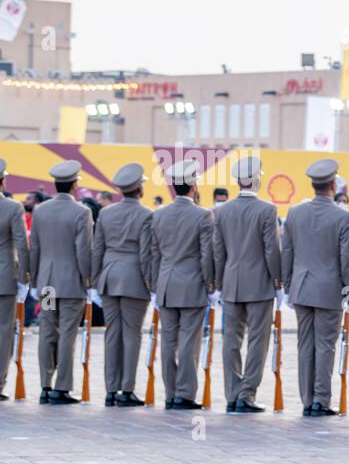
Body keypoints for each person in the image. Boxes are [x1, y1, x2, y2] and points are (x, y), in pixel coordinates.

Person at [283, 158, 349, 417]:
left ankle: (307, 398)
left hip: (301, 287)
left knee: (305, 345)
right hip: (328, 289)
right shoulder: (345, 216)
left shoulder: (295, 212)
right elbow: (346, 260)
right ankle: (320, 401)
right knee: (325, 345)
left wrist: (288, 286)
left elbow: (287, 253)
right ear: (333, 185)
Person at [213, 157, 282, 413]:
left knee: (230, 339)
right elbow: (271, 251)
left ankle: (232, 393)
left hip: (231, 282)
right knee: (257, 340)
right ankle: (247, 393)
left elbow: (218, 251)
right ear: (255, 179)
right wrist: (278, 281)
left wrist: (219, 283)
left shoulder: (221, 210)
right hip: (259, 284)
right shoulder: (266, 210)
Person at [150, 160, 216, 410]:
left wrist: (156, 284)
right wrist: (211, 285)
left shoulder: (159, 214)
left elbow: (154, 254)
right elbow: (206, 256)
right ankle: (185, 393)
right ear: (194, 186)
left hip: (166, 284)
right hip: (191, 285)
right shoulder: (202, 215)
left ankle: (170, 392)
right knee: (189, 341)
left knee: (168, 341)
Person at [29, 161, 94, 405]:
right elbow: (83, 251)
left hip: (46, 282)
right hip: (71, 283)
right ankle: (62, 387)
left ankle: (45, 384)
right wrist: (88, 279)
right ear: (75, 185)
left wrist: (34, 278)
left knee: (47, 330)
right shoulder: (82, 212)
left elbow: (34, 247)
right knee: (68, 333)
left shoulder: (41, 211)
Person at [93, 163, 154, 406]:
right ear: (139, 188)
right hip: (133, 278)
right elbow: (146, 253)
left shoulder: (106, 213)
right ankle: (127, 389)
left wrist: (95, 279)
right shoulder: (146, 214)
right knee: (132, 335)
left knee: (112, 334)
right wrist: (151, 282)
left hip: (109, 276)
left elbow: (98, 248)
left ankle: (111, 389)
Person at [0, 158, 30, 400]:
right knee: (3, 331)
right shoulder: (12, 208)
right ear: (3, 181)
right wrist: (25, 276)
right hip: (4, 277)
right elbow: (21, 243)